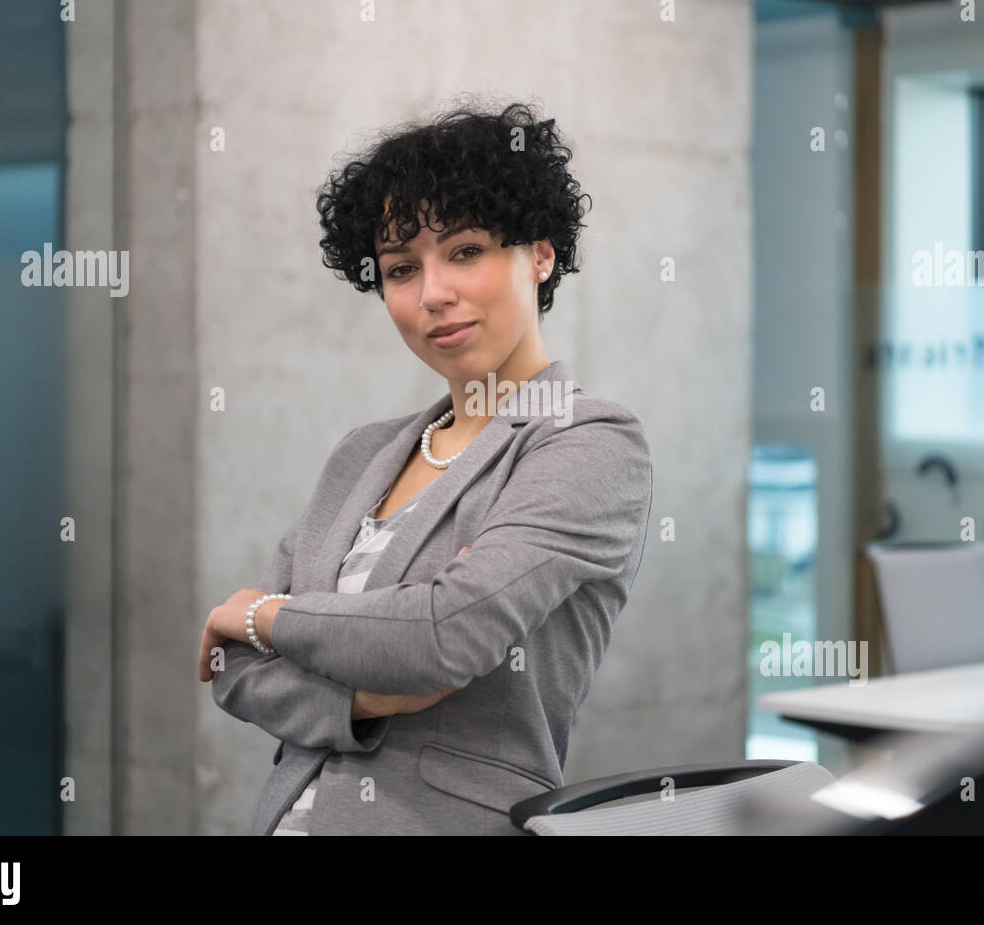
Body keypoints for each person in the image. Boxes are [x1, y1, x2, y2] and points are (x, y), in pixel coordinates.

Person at [199, 99, 653, 835]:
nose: (432, 293)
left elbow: (441, 636)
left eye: (466, 251)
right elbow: (231, 671)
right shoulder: (362, 455)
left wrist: (259, 613)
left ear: (540, 253)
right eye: (401, 268)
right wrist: (360, 700)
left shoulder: (589, 443)